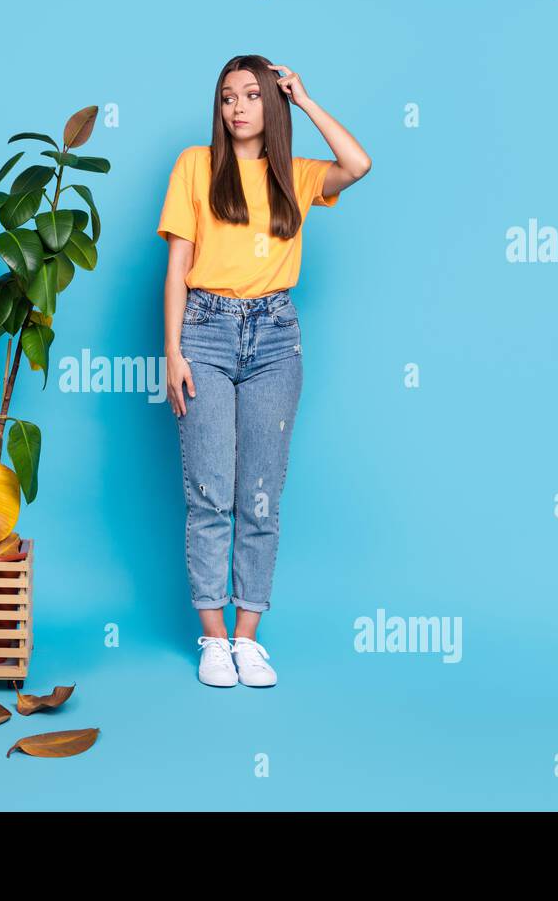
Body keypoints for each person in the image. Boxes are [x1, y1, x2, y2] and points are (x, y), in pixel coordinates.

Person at [156, 54, 372, 687]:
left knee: (260, 494)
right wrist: (173, 353)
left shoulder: (297, 177)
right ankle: (213, 637)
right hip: (207, 333)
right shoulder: (196, 166)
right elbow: (177, 268)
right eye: (228, 97)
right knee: (209, 492)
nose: (239, 106)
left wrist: (302, 97)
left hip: (277, 336)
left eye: (253, 95)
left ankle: (248, 639)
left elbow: (357, 164)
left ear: (270, 106)